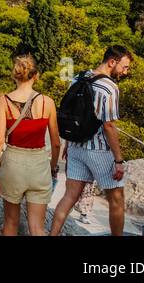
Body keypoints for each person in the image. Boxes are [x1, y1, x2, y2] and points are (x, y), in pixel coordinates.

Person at [50, 45, 132, 236]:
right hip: (99, 151)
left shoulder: (78, 78)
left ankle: (52, 234)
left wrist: (68, 144)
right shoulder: (110, 87)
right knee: (117, 199)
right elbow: (108, 126)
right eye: (124, 67)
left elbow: (71, 114)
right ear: (112, 62)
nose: (125, 72)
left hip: (76, 148)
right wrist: (118, 160)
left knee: (69, 196)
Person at [0, 54, 60, 236]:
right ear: (35, 75)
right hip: (39, 165)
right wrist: (51, 169)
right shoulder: (48, 102)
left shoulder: (4, 100)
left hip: (13, 164)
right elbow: (56, 143)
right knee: (37, 228)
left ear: (15, 75)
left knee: (10, 224)